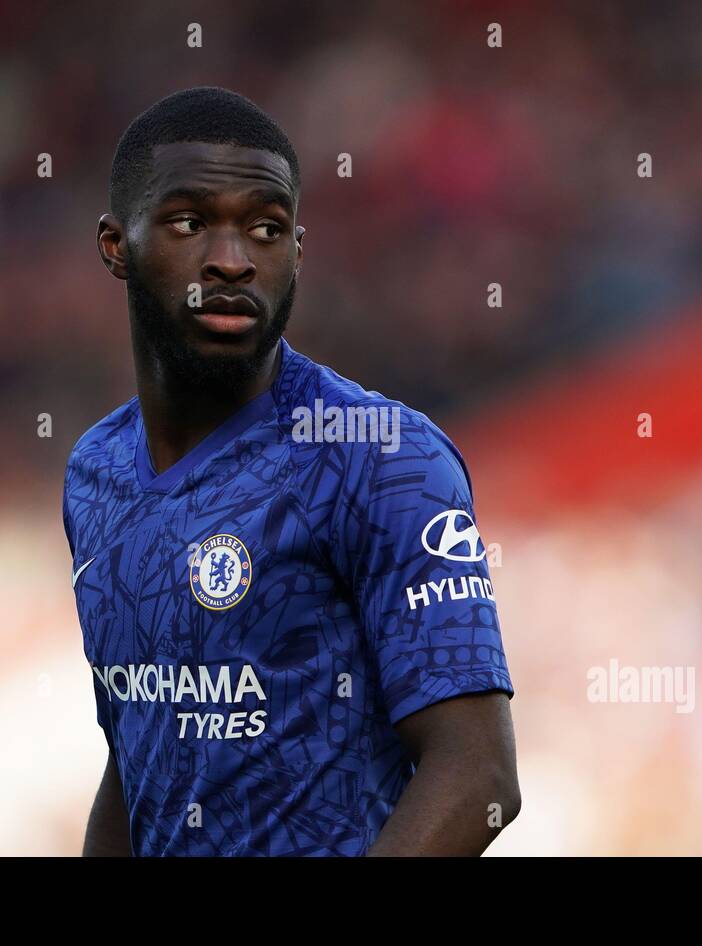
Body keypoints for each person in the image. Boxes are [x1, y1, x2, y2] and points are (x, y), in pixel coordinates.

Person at [64, 86, 518, 855]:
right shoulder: (95, 472)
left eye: (266, 230)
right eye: (189, 222)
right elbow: (136, 753)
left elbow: (478, 777)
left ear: (298, 251)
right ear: (117, 245)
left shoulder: (379, 457)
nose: (233, 260)